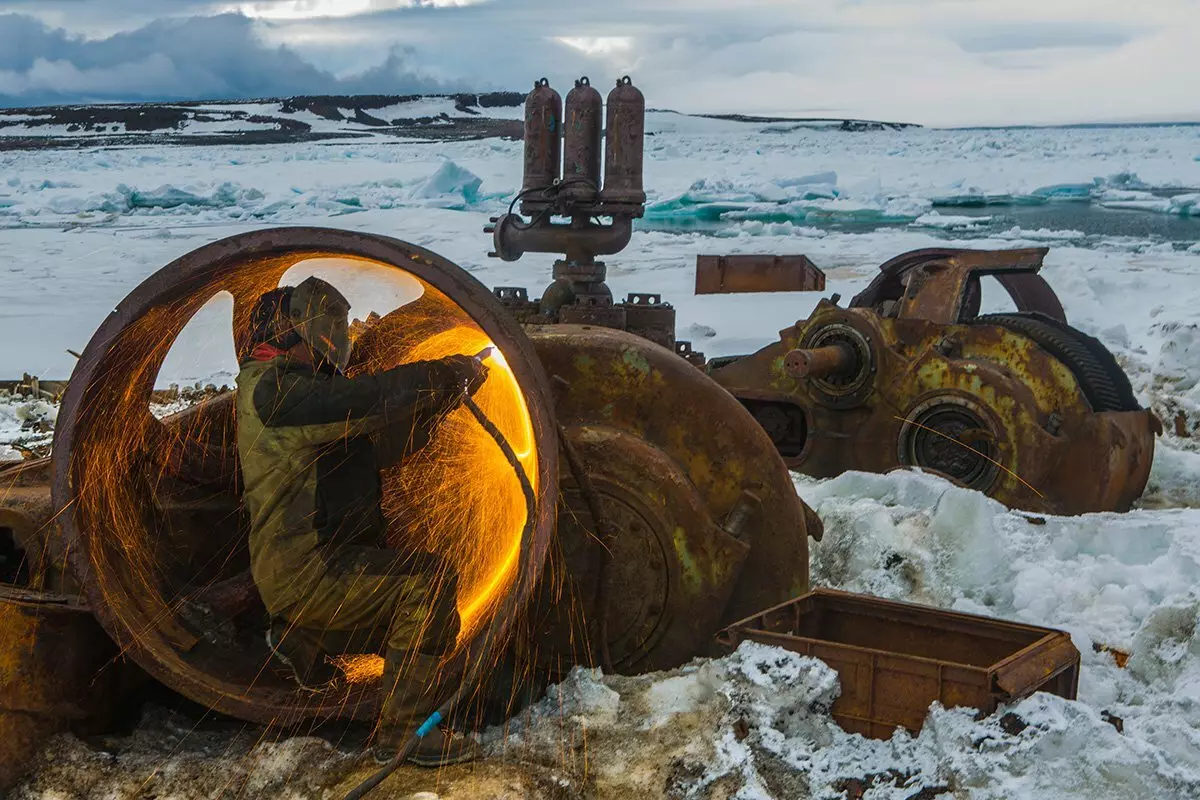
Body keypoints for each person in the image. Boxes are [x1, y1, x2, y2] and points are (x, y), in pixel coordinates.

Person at [234, 276, 488, 766]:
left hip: (303, 566)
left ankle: (302, 640)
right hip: (308, 572)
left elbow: (376, 443)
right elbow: (363, 402)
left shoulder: (298, 390)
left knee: (420, 618)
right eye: (334, 328)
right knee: (428, 586)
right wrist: (438, 376)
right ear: (303, 330)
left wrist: (438, 401)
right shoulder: (275, 391)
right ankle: (404, 735)